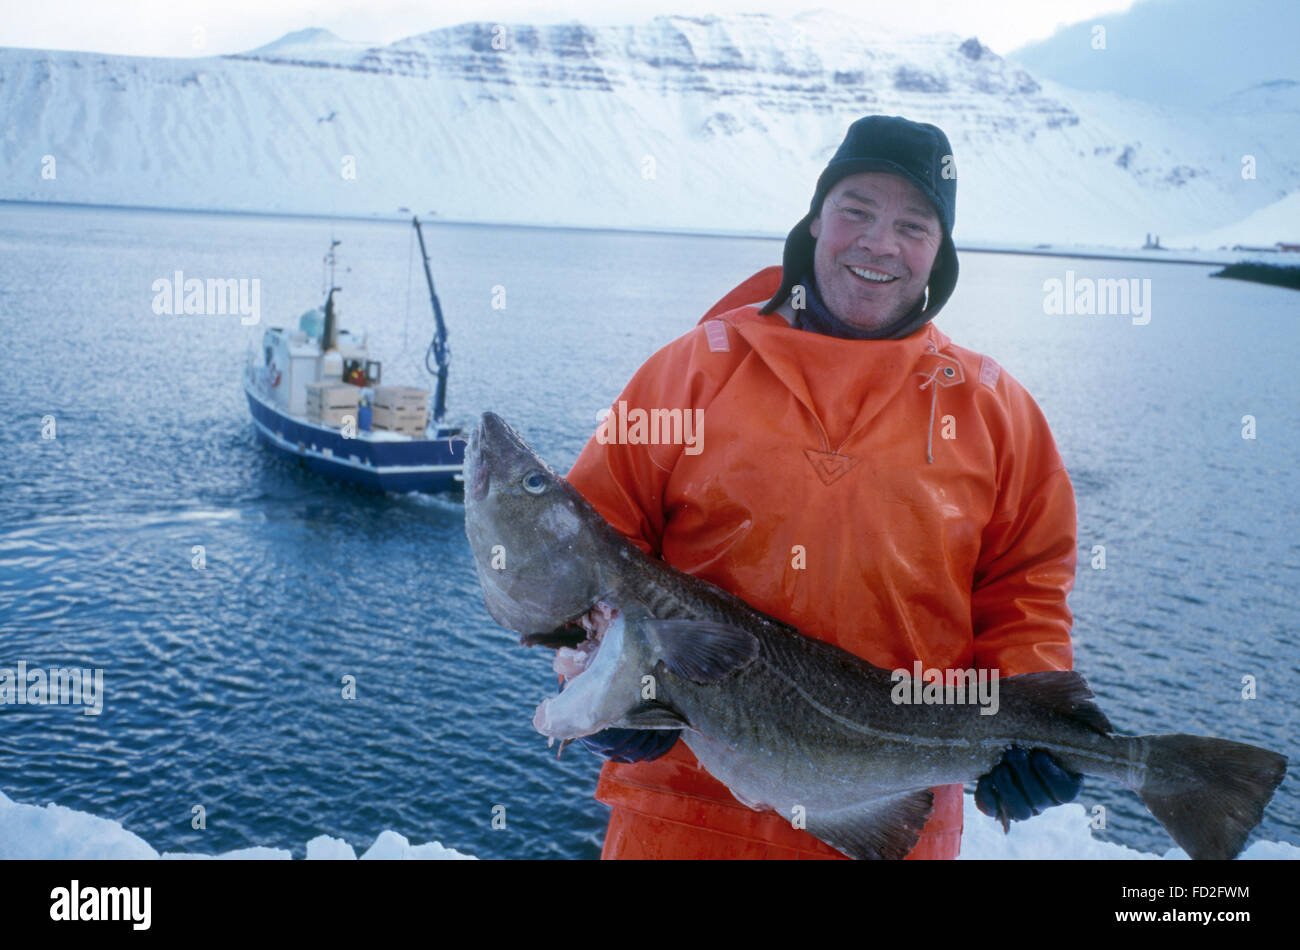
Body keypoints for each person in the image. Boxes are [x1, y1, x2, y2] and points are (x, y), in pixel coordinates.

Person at [565, 115, 1082, 860]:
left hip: (891, 822)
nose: (880, 244)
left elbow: (1027, 588)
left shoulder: (997, 413)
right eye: (856, 212)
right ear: (816, 221)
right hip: (682, 815)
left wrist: (1035, 723)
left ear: (940, 252)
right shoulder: (688, 373)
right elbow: (591, 546)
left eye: (913, 225)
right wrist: (603, 679)